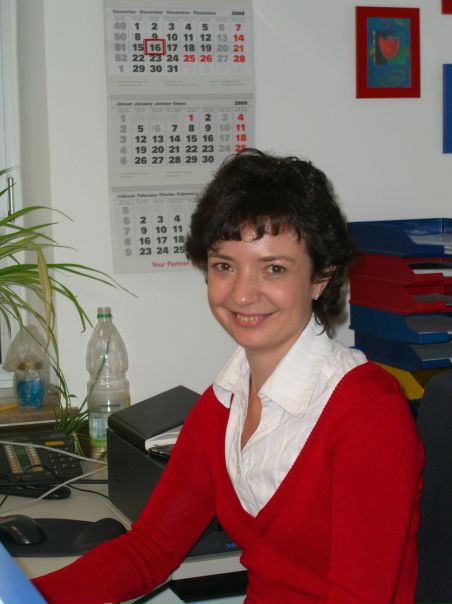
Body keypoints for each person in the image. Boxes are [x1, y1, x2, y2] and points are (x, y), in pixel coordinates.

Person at [34, 149, 423, 604]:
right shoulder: (223, 404)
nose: (242, 293)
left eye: (274, 268)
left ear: (320, 278)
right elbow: (149, 550)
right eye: (224, 266)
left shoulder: (367, 412)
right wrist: (22, 596)